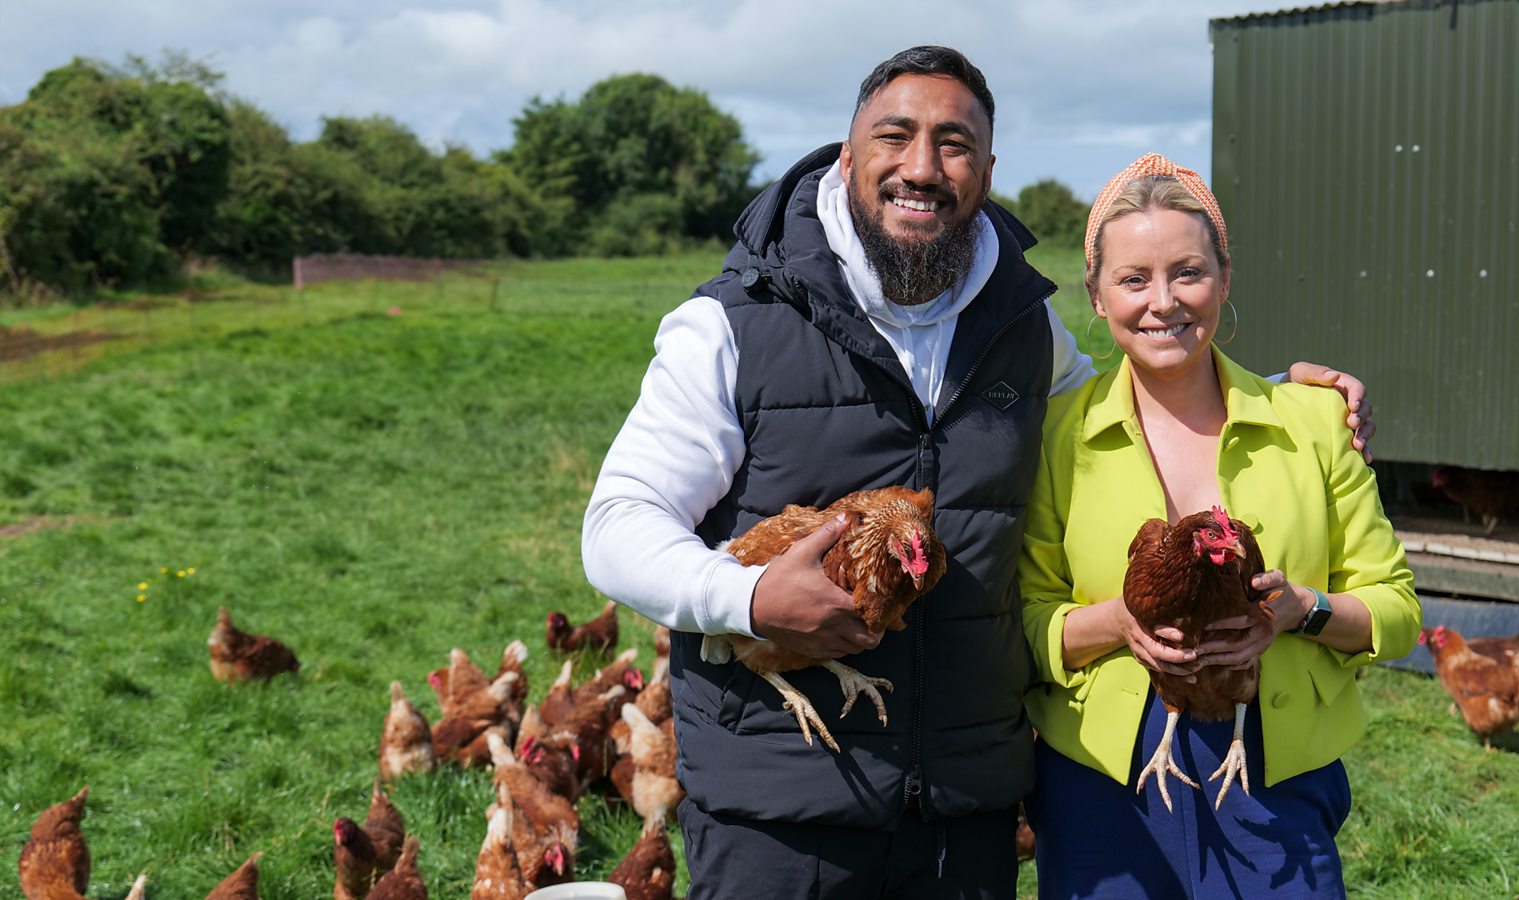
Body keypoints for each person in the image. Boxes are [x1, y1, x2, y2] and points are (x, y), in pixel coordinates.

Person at [582, 48, 1372, 899]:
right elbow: (619, 522)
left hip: (967, 810)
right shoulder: (730, 326)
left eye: (953, 144)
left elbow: (1149, 389)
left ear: (987, 171)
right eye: (896, 136)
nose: (922, 167)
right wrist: (746, 600)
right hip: (784, 807)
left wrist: (1283, 402)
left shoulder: (1028, 332)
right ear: (848, 156)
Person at [1018, 153, 1422, 898]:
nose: (1163, 302)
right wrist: (1118, 620)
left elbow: (1396, 610)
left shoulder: (1312, 424)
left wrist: (1304, 612)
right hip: (1105, 779)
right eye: (1133, 279)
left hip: (1272, 768)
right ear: (1098, 298)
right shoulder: (1055, 436)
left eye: (1188, 272)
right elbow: (1023, 623)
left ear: (1224, 280)